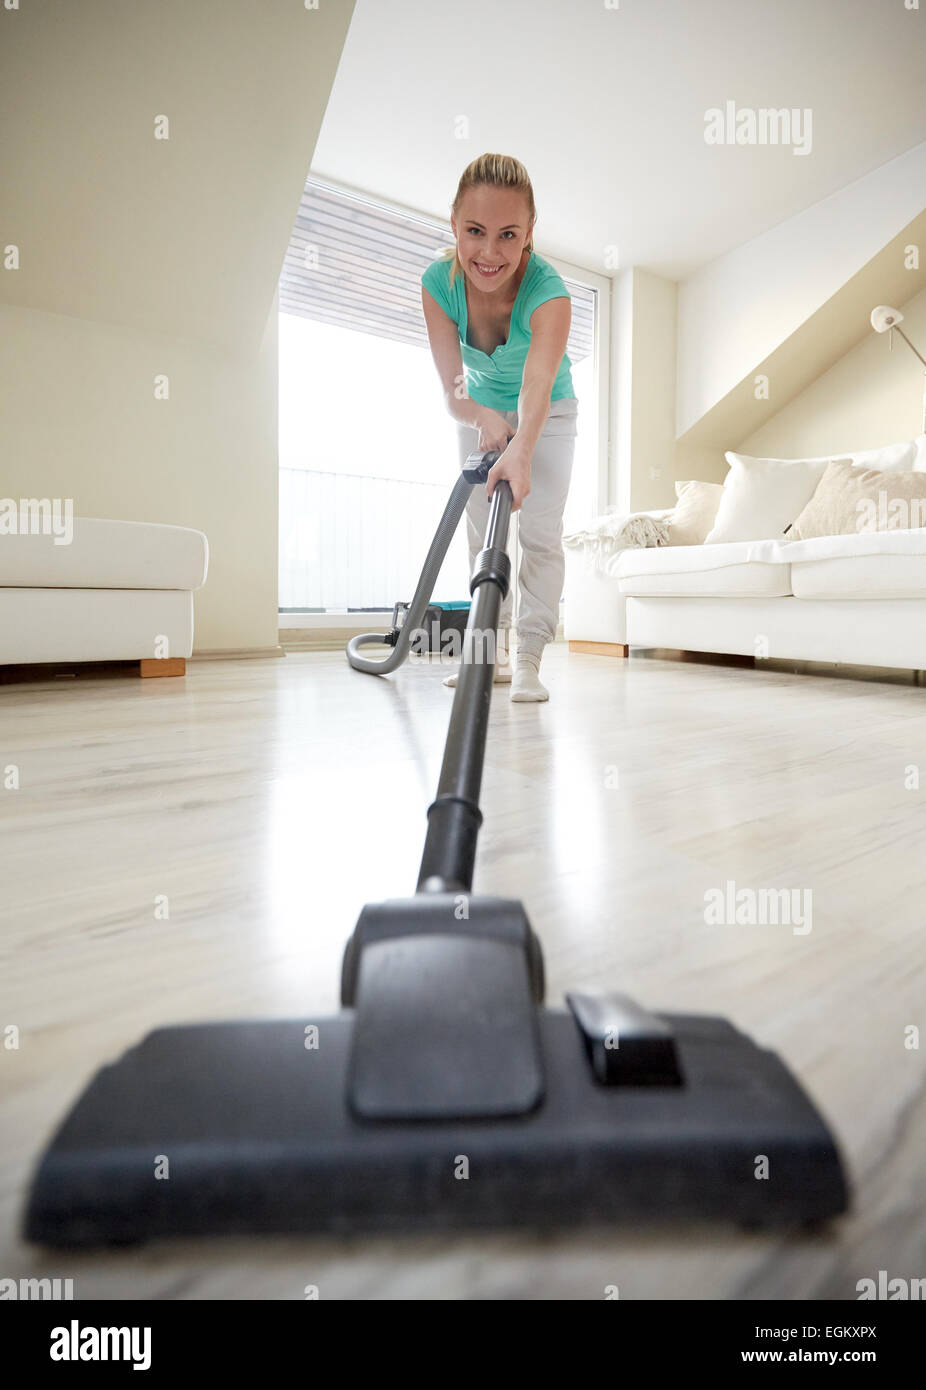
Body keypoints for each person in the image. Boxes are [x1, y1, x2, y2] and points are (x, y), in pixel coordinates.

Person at [420, 152, 578, 702]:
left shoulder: (550, 293)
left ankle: (530, 659)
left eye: (508, 234)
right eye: (475, 231)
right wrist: (482, 415)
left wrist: (523, 447)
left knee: (538, 532)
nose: (490, 252)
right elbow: (452, 387)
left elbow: (538, 383)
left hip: (549, 410)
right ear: (454, 225)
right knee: (482, 534)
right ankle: (490, 655)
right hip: (478, 408)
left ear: (530, 233)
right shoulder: (438, 284)